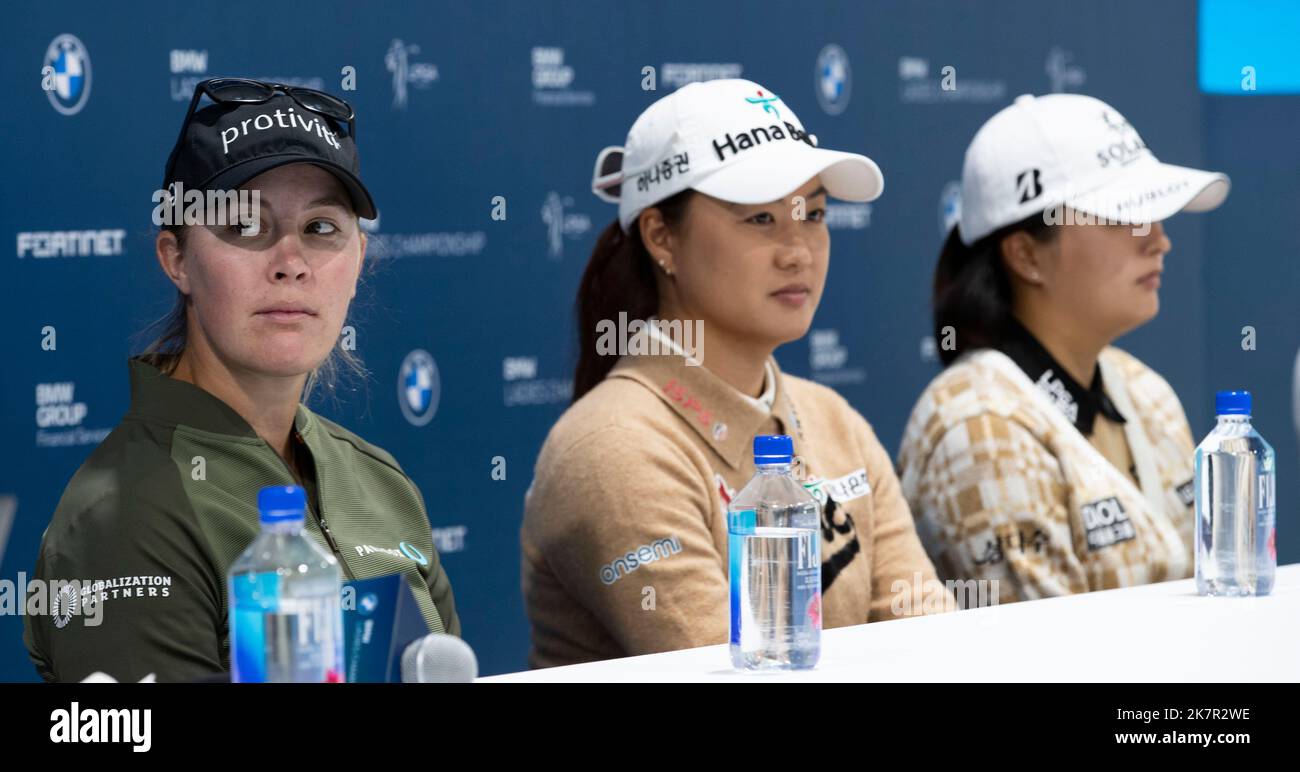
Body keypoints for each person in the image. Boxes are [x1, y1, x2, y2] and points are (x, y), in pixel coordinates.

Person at [23, 78, 459, 683]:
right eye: (245, 225)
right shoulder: (123, 516)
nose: (290, 262)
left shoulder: (380, 481)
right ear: (177, 259)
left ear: (360, 261)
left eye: (321, 228)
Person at [521, 78, 950, 669]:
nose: (798, 251)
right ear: (660, 236)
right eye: (760, 220)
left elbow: (934, 647)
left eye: (814, 214)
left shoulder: (833, 419)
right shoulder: (613, 447)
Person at [897, 93, 1230, 604]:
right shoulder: (979, 427)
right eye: (1124, 216)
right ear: (1026, 254)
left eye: (1156, 214)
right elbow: (1049, 661)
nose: (1159, 241)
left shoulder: (1145, 391)